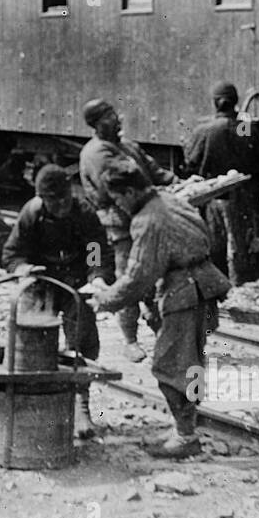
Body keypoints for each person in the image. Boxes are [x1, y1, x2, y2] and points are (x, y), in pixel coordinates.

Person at [88, 162, 230, 458]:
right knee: (191, 363)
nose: (119, 206)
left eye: (118, 199)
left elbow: (138, 277)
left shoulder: (148, 220)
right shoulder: (170, 199)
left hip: (184, 292)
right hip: (204, 284)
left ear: (129, 192)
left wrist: (105, 300)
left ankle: (185, 436)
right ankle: (185, 426)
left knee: (169, 365)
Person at [2, 164, 111, 439]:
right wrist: (22, 268)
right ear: (43, 199)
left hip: (75, 283)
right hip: (41, 284)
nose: (61, 205)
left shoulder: (84, 213)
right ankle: (32, 408)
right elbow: (12, 254)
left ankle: (80, 408)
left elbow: (96, 249)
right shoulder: (32, 214)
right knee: (31, 344)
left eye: (64, 198)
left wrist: (96, 277)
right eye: (54, 201)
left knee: (82, 344)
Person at [79, 98, 175, 362]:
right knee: (129, 280)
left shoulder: (127, 146)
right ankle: (130, 340)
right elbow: (117, 188)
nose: (117, 118)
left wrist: (178, 181)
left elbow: (154, 171)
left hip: (144, 221)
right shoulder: (97, 154)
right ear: (96, 124)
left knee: (156, 278)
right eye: (109, 116)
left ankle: (160, 333)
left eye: (114, 113)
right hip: (120, 226)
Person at [183, 81, 259, 284]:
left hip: (212, 202)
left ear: (215, 103)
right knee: (244, 251)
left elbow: (190, 165)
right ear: (235, 102)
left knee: (215, 251)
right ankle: (244, 293)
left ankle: (218, 293)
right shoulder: (243, 127)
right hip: (243, 201)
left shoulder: (204, 130)